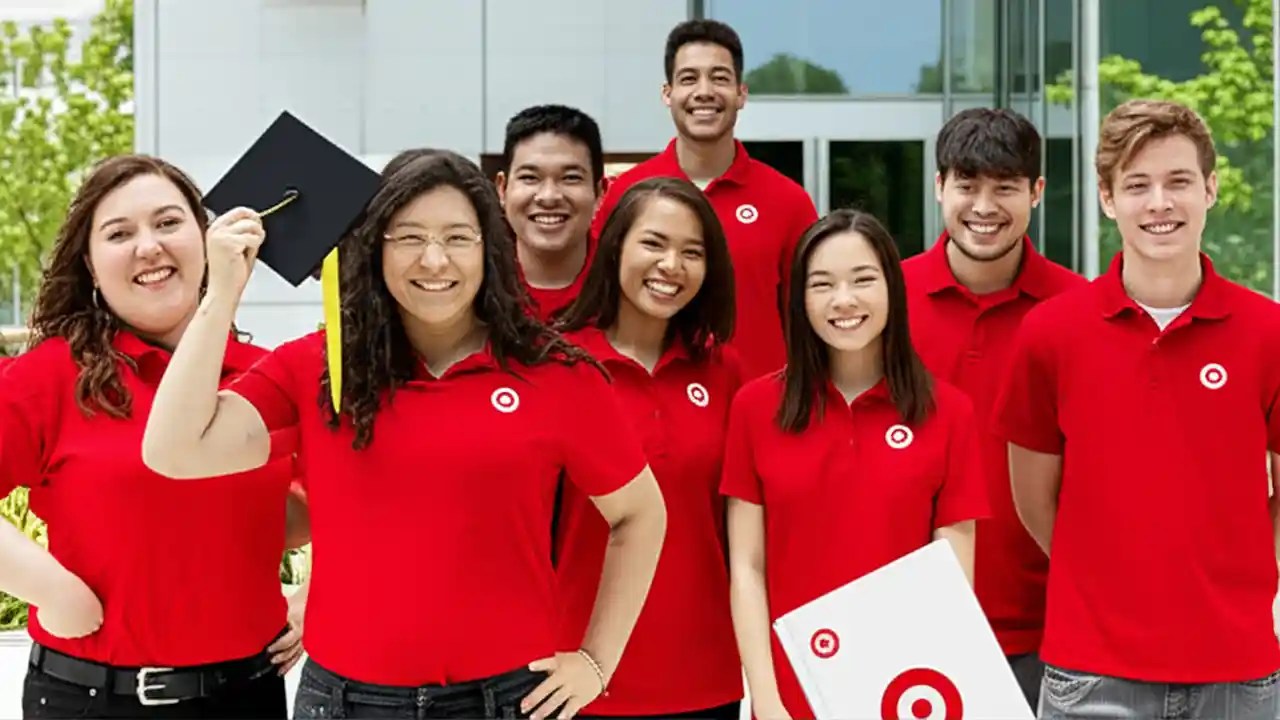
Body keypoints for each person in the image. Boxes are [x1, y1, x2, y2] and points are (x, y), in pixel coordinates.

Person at [140, 149, 668, 720]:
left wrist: (595, 661)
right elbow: (173, 450)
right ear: (373, 249)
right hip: (344, 702)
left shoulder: (555, 376)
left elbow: (639, 514)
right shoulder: (319, 369)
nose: (435, 260)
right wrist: (221, 295)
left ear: (490, 250)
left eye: (458, 238)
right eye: (409, 237)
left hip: (509, 699)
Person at [993, 99, 1280, 720]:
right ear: (1107, 198)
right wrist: (1104, 573)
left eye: (1178, 182)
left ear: (1210, 189)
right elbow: (1035, 499)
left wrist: (1234, 571)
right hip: (1091, 675)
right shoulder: (1051, 335)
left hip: (1238, 672)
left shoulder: (1268, 332)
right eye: (1137, 185)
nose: (1159, 204)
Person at [0, 154, 308, 719]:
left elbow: (362, 497)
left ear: (206, 237)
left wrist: (317, 597)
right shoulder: (51, 376)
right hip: (88, 700)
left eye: (169, 223)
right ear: (90, 266)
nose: (149, 247)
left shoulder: (267, 379)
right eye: (119, 233)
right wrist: (49, 588)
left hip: (245, 696)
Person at [721, 209, 989, 720]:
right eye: (822, 284)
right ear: (800, 300)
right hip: (789, 696)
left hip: (903, 696)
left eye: (863, 280)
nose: (843, 301)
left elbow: (950, 580)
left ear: (893, 288)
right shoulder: (755, 409)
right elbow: (747, 568)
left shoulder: (949, 412)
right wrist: (767, 700)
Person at [902, 107, 1085, 708]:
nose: (984, 205)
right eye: (967, 184)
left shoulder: (1079, 311)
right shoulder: (884, 303)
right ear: (938, 188)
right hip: (906, 623)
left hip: (1053, 628)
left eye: (1005, 186)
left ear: (1036, 192)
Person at [554, 177, 743, 720]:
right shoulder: (558, 365)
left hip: (705, 678)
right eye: (654, 243)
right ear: (615, 246)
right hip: (578, 680)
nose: (672, 266)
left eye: (692, 252)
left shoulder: (724, 372)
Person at [592, 19, 818, 380]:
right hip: (654, 404)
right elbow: (600, 305)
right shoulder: (627, 193)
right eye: (688, 78)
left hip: (761, 412)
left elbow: (810, 318)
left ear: (741, 93)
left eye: (719, 78)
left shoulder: (788, 201)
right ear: (667, 93)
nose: (704, 91)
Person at [496, 105, 607, 322]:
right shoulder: (472, 284)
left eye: (570, 178)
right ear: (502, 189)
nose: (549, 197)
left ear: (599, 193)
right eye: (530, 177)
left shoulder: (625, 284)